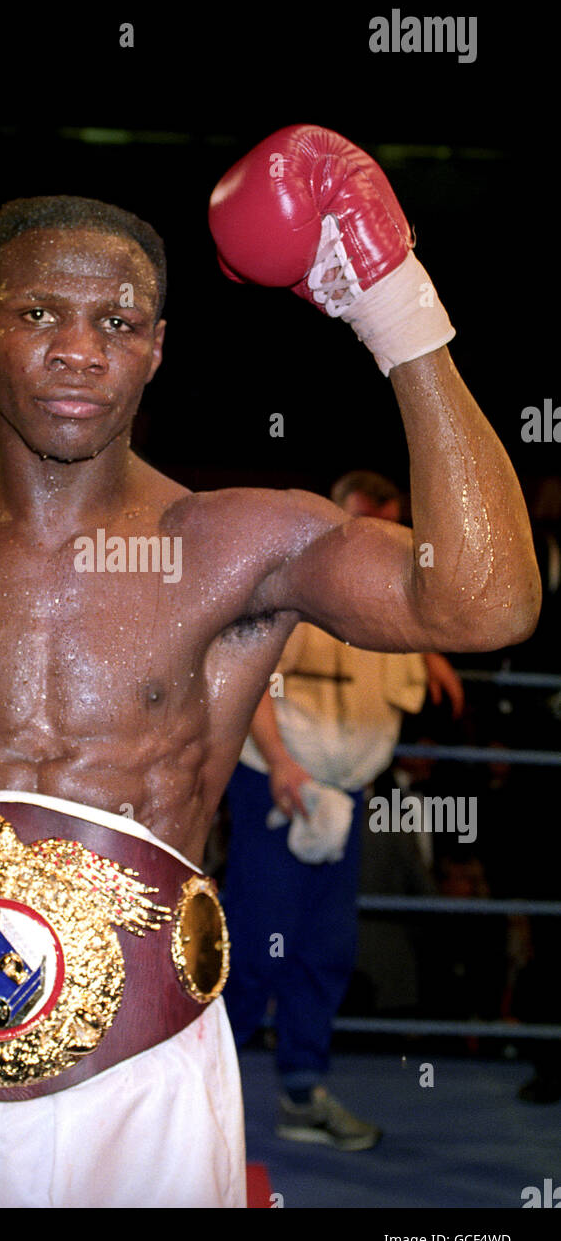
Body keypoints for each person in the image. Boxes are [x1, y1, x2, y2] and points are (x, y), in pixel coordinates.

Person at [0, 119, 541, 1207]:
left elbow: (485, 602)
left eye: (117, 321)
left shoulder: (235, 546)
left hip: (137, 1084)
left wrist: (393, 305)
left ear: (155, 347)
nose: (77, 349)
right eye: (38, 312)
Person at [222, 472, 462, 1149]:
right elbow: (247, 677)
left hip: (346, 790)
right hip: (275, 778)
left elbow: (409, 632)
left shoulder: (388, 604)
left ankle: (302, 1093)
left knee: (326, 947)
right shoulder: (285, 584)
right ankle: (203, 1095)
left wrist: (434, 649)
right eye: (367, 527)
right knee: (253, 947)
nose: (376, 544)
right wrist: (281, 763)